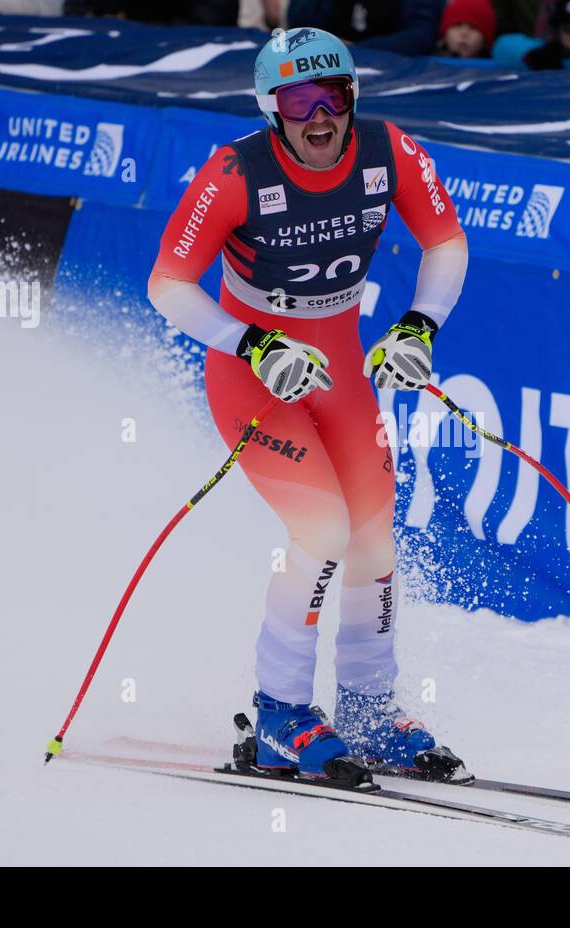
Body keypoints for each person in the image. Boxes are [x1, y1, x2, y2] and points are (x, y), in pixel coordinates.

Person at [148, 29, 469, 782]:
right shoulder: (235, 172)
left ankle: (368, 709)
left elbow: (446, 240)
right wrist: (253, 343)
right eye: (299, 100)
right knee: (322, 529)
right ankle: (282, 715)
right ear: (272, 110)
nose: (321, 115)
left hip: (342, 373)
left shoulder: (390, 151)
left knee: (373, 535)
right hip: (256, 381)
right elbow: (168, 283)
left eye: (336, 96)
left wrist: (420, 324)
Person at [287, 1, 446, 56]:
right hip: (327, 60)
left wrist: (356, 49)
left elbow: (421, 35)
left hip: (392, 65)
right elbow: (299, 23)